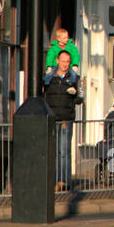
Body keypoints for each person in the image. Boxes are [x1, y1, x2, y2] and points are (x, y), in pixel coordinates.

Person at [42, 50, 81, 191]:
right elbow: (42, 95)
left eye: (67, 62)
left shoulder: (74, 78)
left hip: (66, 118)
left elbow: (80, 98)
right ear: (57, 61)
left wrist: (75, 94)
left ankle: (64, 181)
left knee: (64, 151)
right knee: (52, 151)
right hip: (52, 118)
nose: (65, 64)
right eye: (63, 61)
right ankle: (53, 181)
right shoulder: (48, 78)